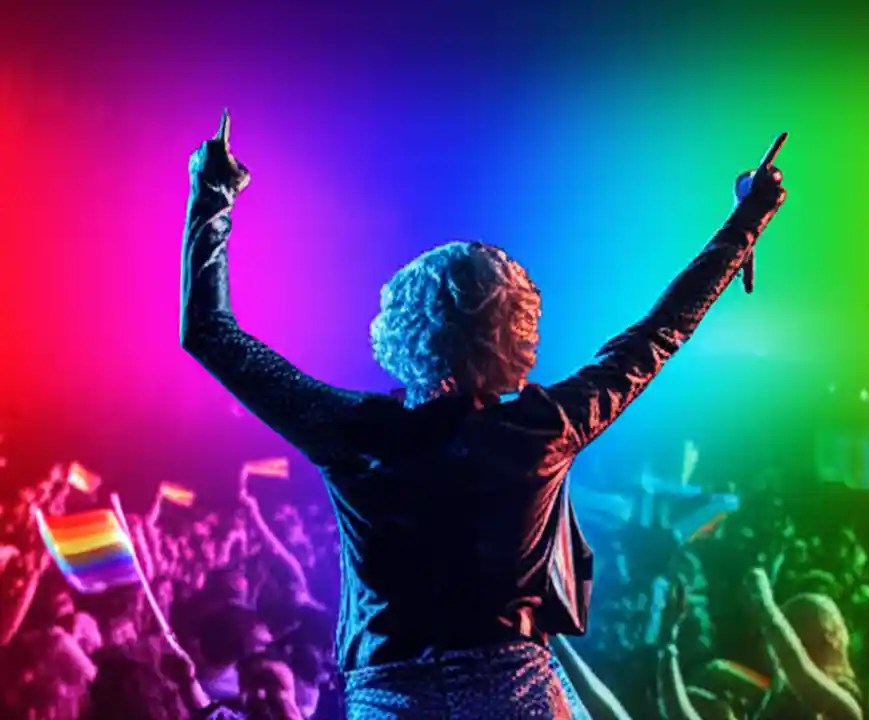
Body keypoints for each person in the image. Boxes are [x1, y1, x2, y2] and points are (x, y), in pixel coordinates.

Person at [180, 110, 788, 718]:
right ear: (514, 332)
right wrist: (746, 222)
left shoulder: (353, 432)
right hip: (517, 691)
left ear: (405, 326)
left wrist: (213, 196)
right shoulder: (546, 427)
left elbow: (209, 333)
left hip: (394, 699)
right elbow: (660, 331)